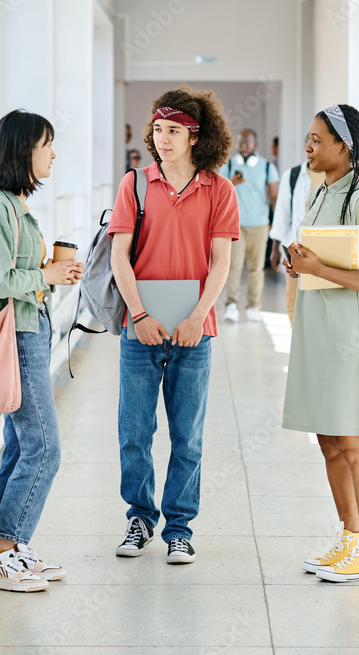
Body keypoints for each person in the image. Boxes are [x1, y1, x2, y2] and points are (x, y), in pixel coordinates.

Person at [109, 86, 239, 564]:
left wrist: (198, 316)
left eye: (174, 131)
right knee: (134, 432)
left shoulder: (220, 190)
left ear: (195, 136)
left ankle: (179, 527)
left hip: (194, 332)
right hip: (138, 329)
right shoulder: (135, 185)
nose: (163, 139)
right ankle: (139, 520)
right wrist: (138, 315)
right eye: (158, 130)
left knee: (188, 436)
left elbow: (220, 261)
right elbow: (120, 256)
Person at [282, 104, 359, 582]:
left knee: (354, 443)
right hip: (318, 331)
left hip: (349, 339)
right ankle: (348, 538)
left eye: (316, 139)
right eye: (307, 137)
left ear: (343, 147)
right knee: (328, 440)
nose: (308, 146)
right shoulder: (319, 192)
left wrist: (318, 269)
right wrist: (299, 264)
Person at [0, 109, 85, 592]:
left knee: (21, 445)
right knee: (45, 448)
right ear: (24, 151)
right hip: (17, 337)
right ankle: (3, 555)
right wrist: (47, 275)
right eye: (47, 146)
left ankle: (12, 549)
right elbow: (0, 281)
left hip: (30, 328)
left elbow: (17, 277)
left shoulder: (18, 206)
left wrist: (52, 274)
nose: (53, 154)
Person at [219, 129, 279, 322]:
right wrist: (231, 183)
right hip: (234, 225)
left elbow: (274, 197)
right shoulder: (228, 167)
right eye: (241, 144)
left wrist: (275, 223)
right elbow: (218, 193)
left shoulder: (267, 167)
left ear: (256, 144)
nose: (244, 148)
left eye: (248, 144)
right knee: (233, 266)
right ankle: (231, 305)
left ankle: (253, 306)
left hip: (259, 224)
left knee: (256, 268)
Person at [269, 136, 325, 324]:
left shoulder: (334, 176)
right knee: (294, 302)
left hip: (325, 253)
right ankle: (298, 348)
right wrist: (274, 248)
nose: (311, 147)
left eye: (316, 142)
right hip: (295, 251)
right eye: (308, 142)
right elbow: (282, 214)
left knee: (321, 304)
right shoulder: (292, 175)